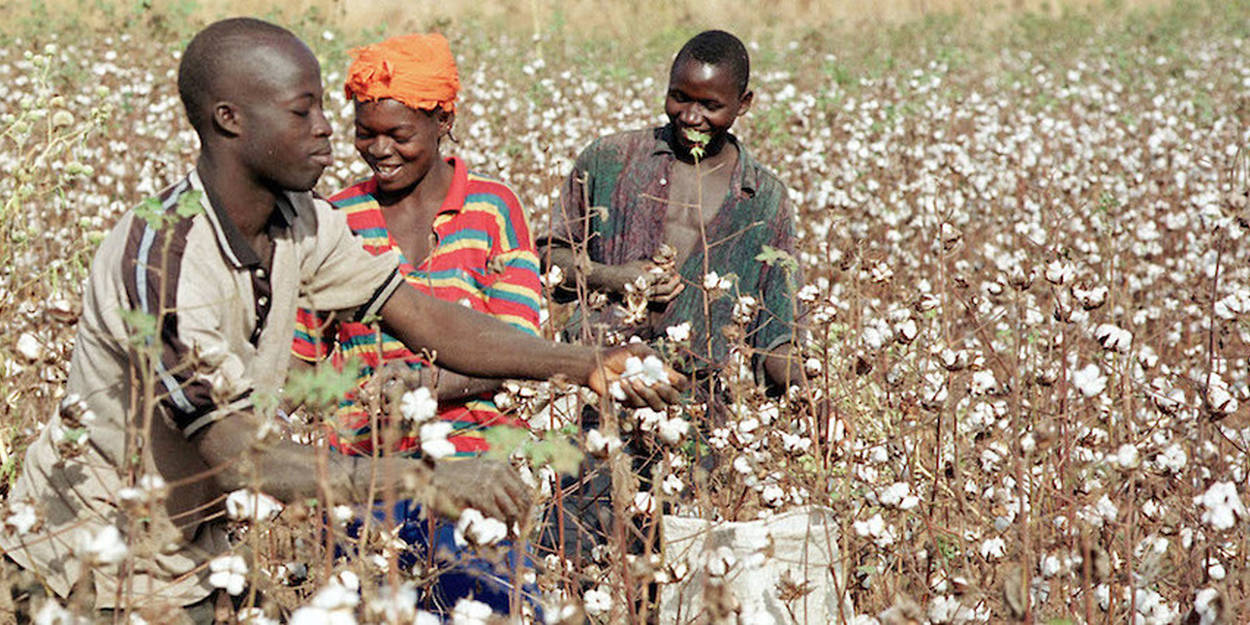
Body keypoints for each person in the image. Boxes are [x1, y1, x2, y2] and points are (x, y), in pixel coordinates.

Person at [0, 18, 683, 623]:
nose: (331, 129)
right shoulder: (166, 261)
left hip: (195, 550)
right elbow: (240, 456)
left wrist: (584, 363)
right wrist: (423, 479)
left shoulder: (302, 222)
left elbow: (427, 319)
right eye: (304, 111)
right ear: (231, 120)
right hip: (93, 566)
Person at [290, 33, 546, 614]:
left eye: (399, 134)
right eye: (365, 132)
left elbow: (517, 349)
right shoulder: (334, 218)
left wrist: (421, 389)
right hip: (363, 471)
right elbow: (303, 362)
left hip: (475, 467)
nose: (379, 149)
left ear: (442, 122)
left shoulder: (492, 209)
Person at [537, 30, 807, 568]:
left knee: (682, 569)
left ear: (743, 105)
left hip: (697, 411)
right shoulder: (609, 160)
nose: (692, 115)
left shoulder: (765, 200)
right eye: (680, 97)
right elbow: (549, 263)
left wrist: (807, 393)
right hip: (596, 396)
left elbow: (777, 330)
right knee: (568, 560)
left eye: (711, 104)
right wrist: (616, 278)